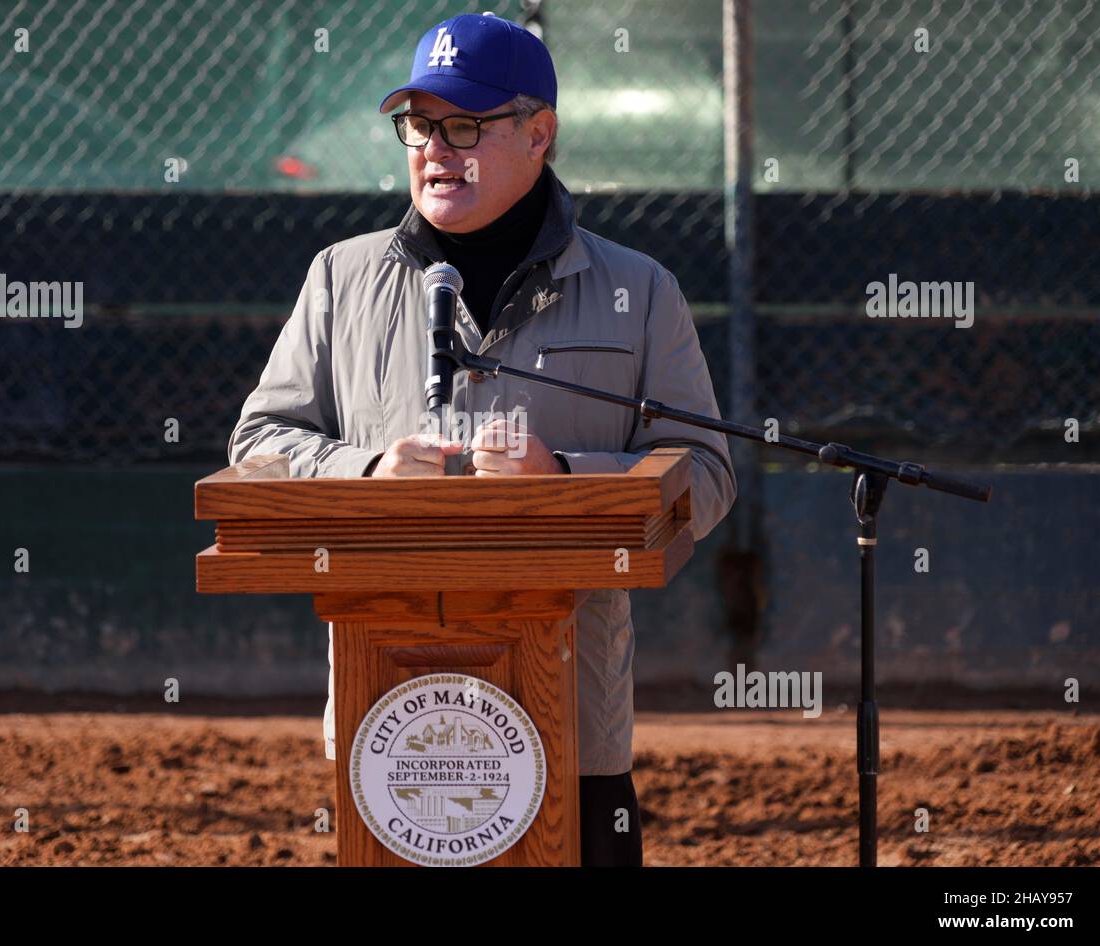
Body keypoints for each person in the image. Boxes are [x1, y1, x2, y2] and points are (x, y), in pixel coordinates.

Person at [229, 12, 737, 866]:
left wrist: (567, 477)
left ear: (539, 134)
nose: (435, 147)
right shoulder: (339, 278)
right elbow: (260, 441)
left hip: (572, 718)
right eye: (419, 125)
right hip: (390, 724)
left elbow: (707, 474)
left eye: (464, 125)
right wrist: (366, 471)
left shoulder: (638, 289)